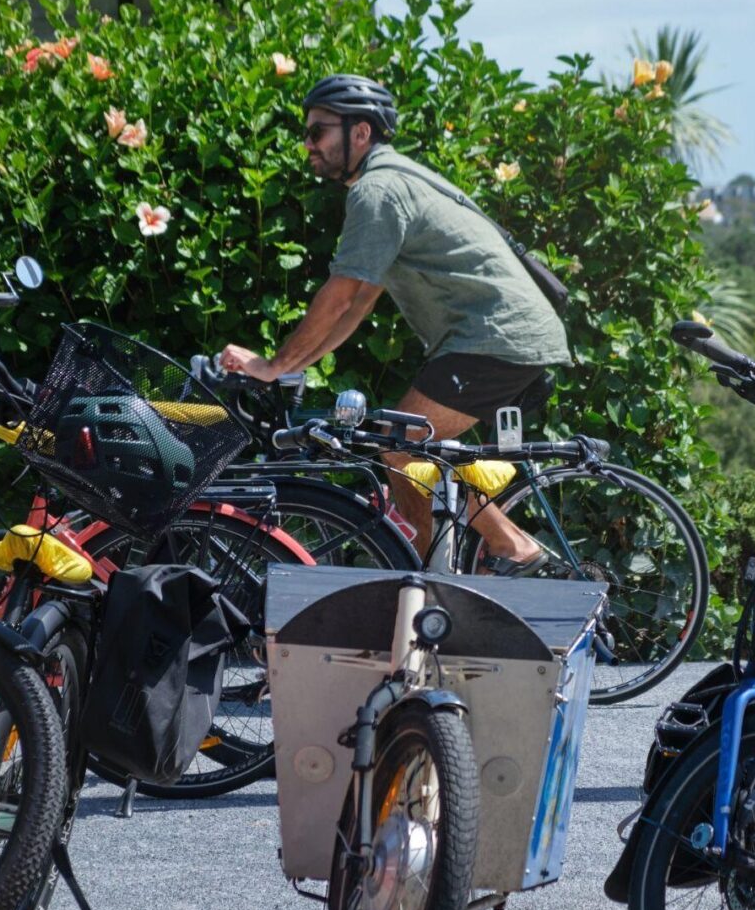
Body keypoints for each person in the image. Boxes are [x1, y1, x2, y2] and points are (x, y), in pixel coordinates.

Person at [219, 73, 572, 574]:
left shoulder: (379, 191)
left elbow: (339, 295)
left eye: (318, 132)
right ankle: (454, 571)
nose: (308, 145)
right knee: (406, 451)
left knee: (398, 444)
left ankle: (496, 557)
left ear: (359, 133)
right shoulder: (392, 181)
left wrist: (274, 366)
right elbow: (360, 301)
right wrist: (291, 365)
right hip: (492, 337)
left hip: (495, 337)